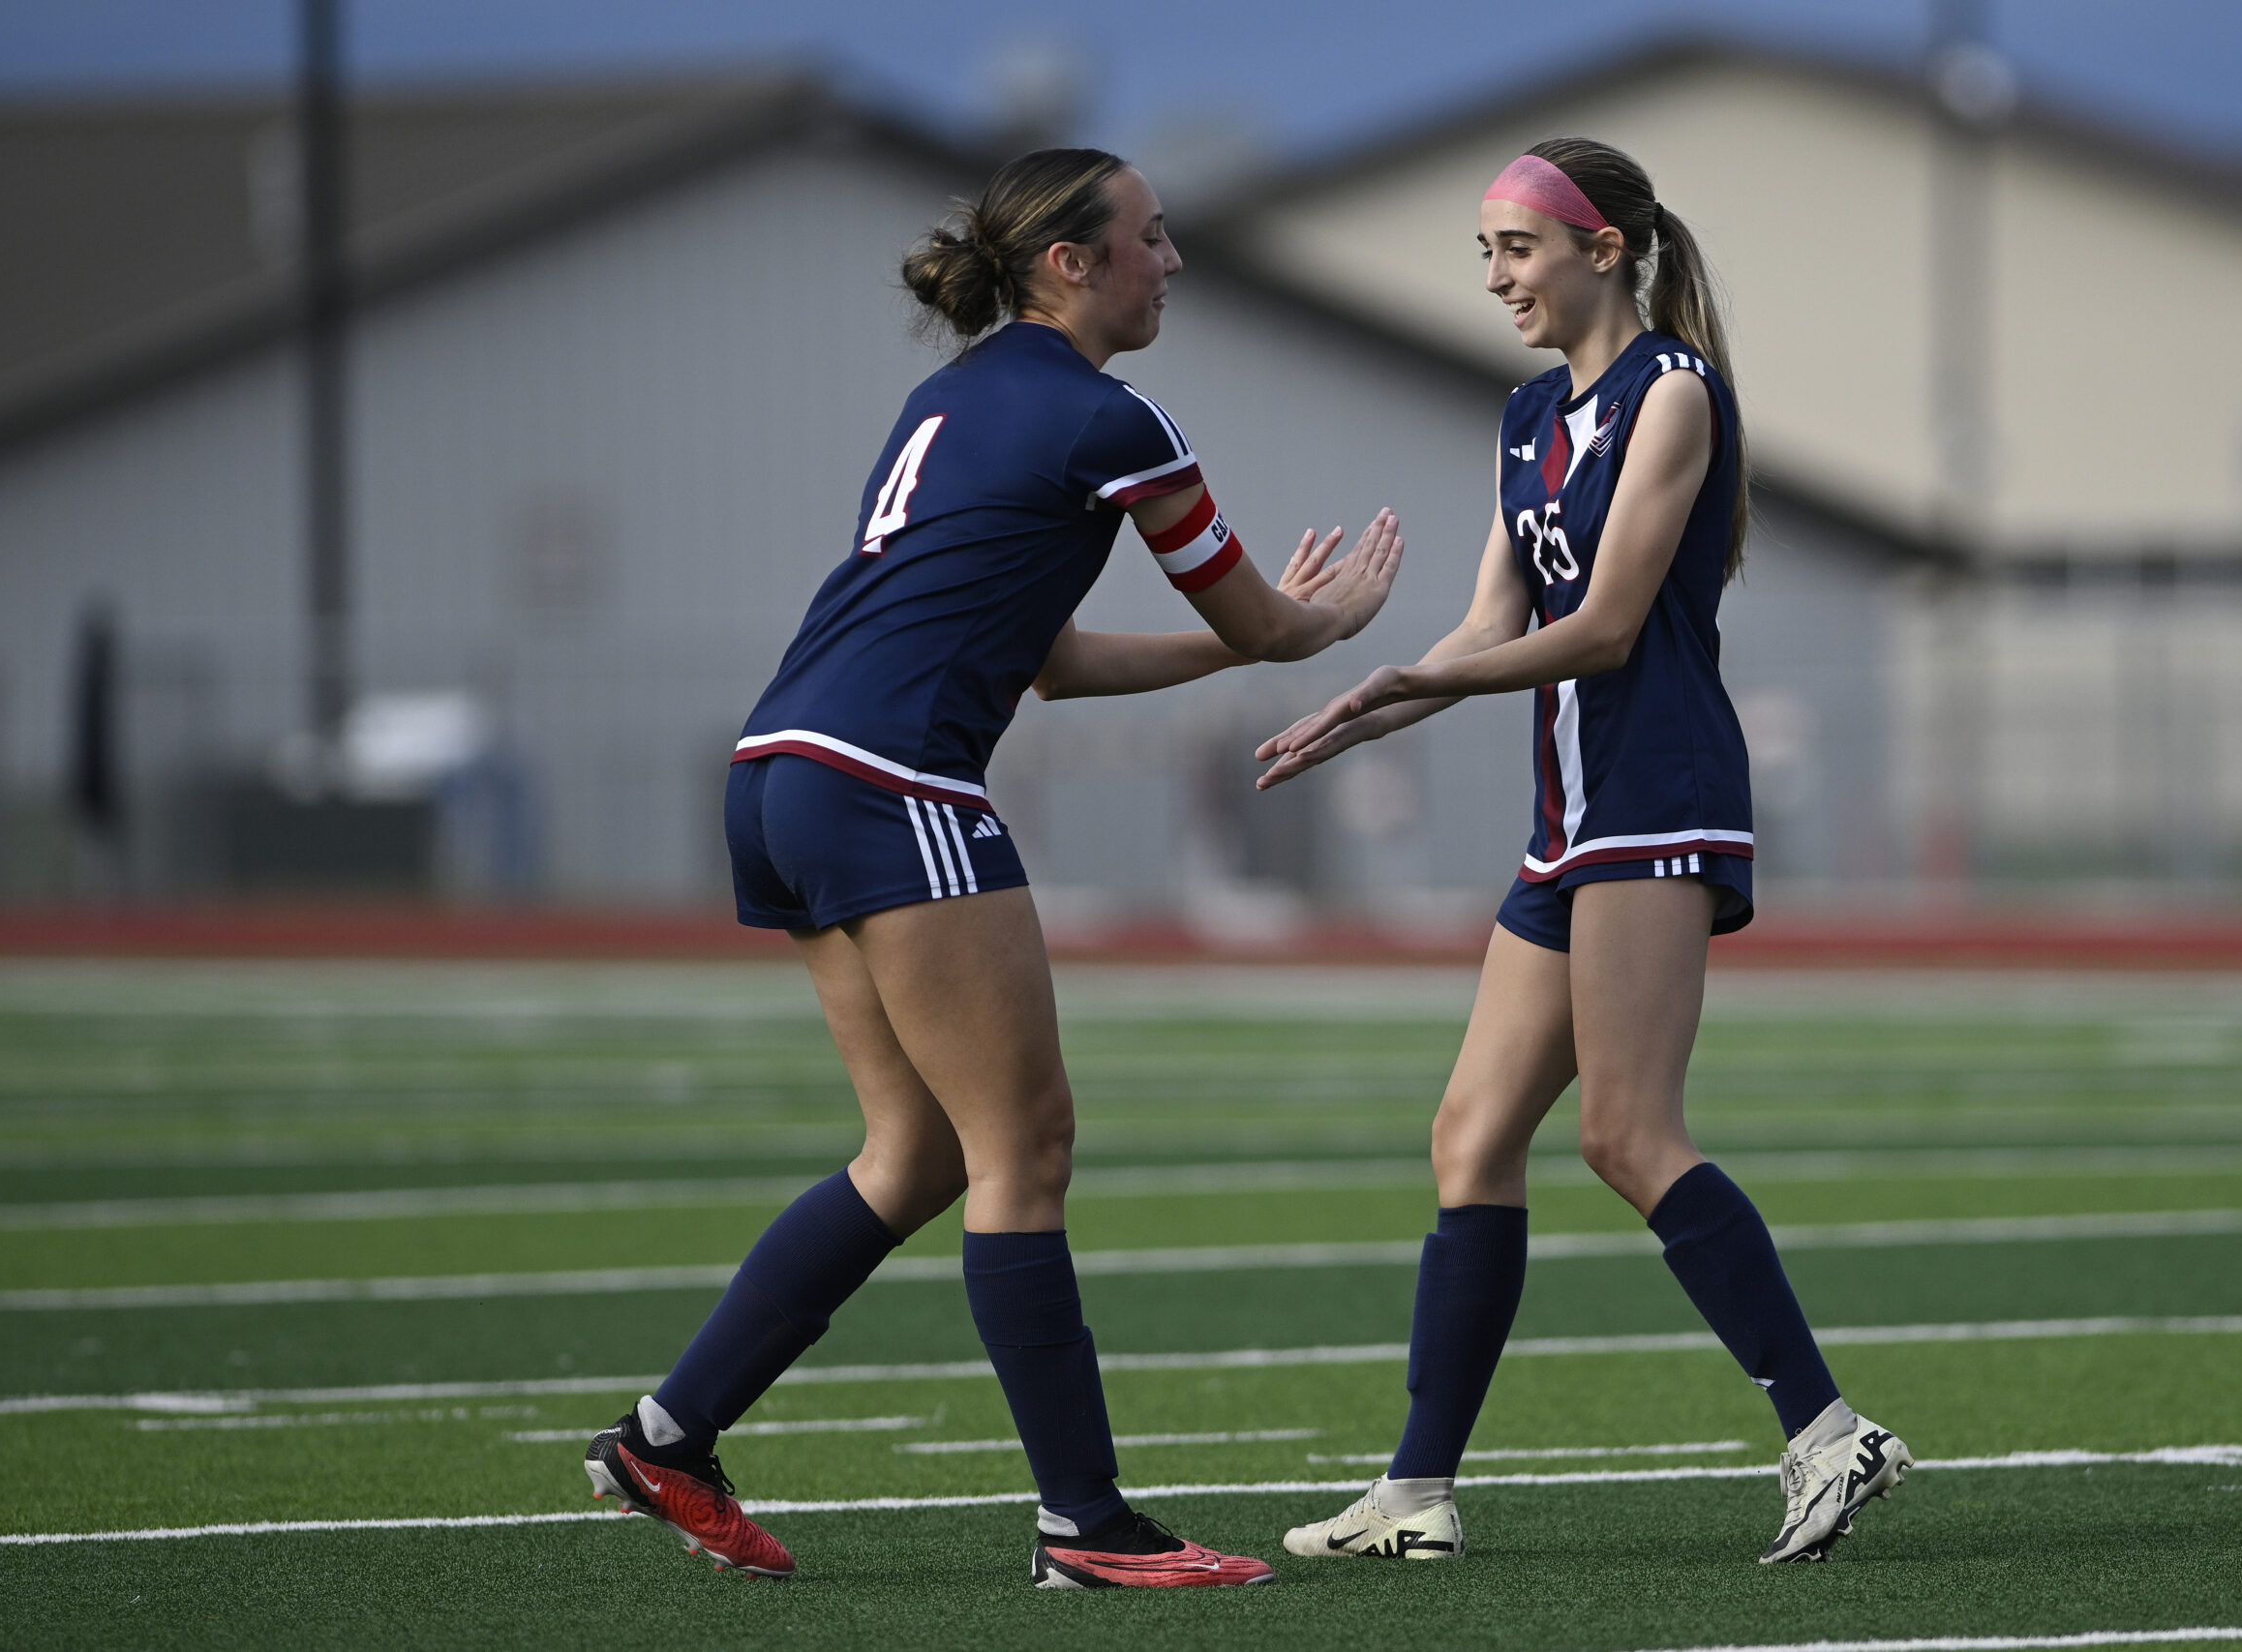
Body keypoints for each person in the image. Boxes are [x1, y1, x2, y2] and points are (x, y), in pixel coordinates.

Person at [576, 147, 1401, 1590]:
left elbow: (1055, 666)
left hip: (781, 772)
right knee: (1028, 1150)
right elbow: (1265, 624)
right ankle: (1086, 1523)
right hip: (891, 783)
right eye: (1152, 237)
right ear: (1070, 263)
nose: (1174, 260)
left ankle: (668, 1434)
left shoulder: (947, 397)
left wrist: (1260, 632)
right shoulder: (1114, 417)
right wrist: (1314, 624)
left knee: (924, 1155)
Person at [1263, 139, 1909, 1567]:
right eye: (1485, 254)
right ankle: (1415, 1494)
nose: (1498, 278)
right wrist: (1375, 703)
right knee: (1472, 1137)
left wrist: (1415, 691)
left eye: (1518, 249)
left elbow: (1609, 627)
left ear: (1606, 248)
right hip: (1569, 817)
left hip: (1657, 794)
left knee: (1627, 1135)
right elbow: (1494, 623)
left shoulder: (1673, 395)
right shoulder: (1522, 417)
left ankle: (1828, 1433)